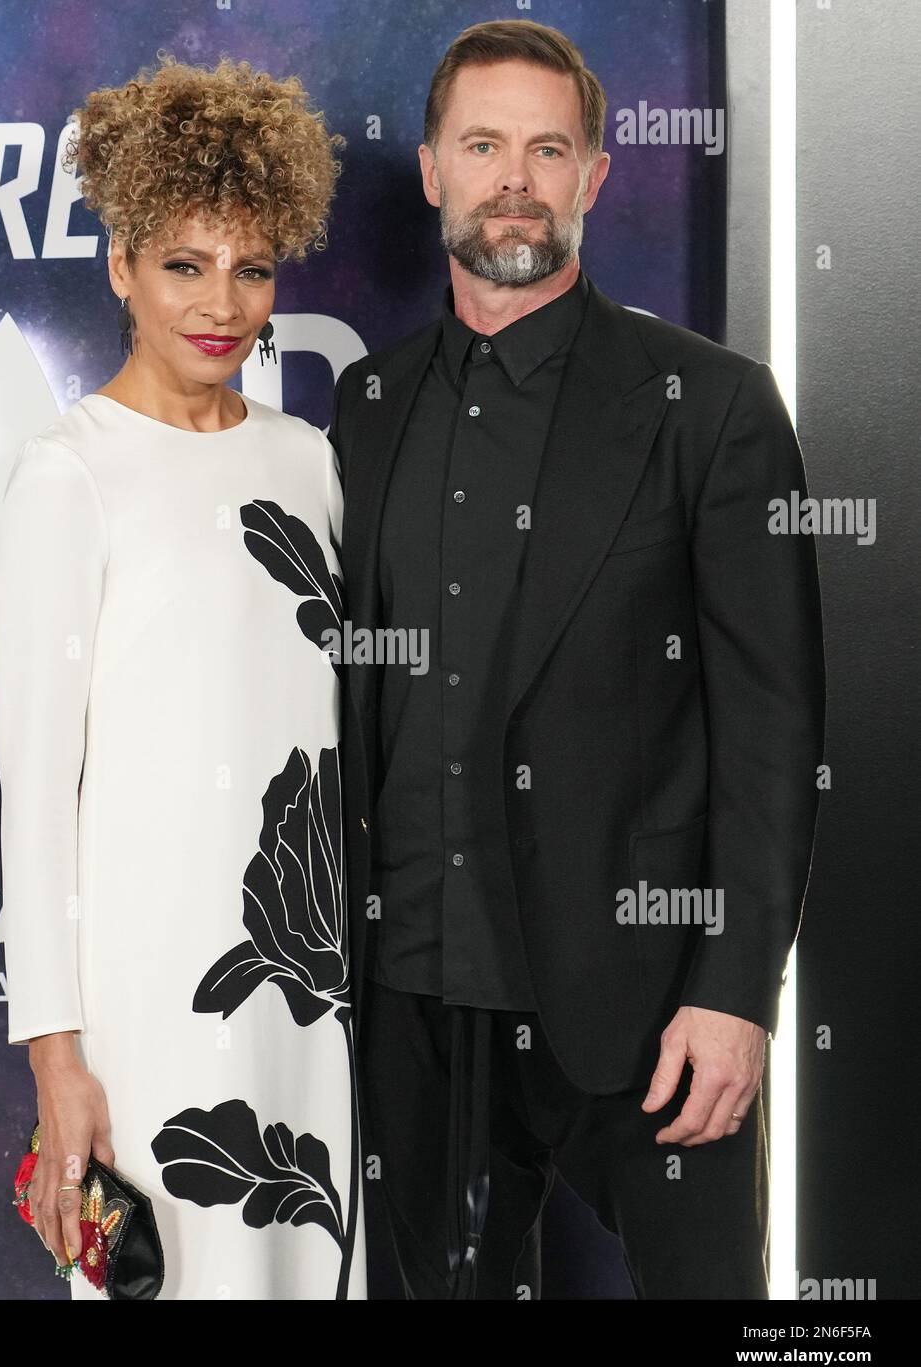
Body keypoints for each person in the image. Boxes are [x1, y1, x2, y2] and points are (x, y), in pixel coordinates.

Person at [329, 19, 826, 1299]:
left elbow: (773, 735)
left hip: (651, 1010)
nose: (514, 177)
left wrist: (734, 996)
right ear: (430, 168)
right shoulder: (365, 410)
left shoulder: (707, 407)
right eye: (481, 144)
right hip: (419, 1009)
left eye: (547, 148)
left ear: (594, 176)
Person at [0, 53, 365, 1299]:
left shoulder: (308, 461)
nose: (221, 304)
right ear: (121, 268)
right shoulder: (68, 472)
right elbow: (35, 795)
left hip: (305, 995)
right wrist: (58, 1060)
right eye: (183, 265)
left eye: (250, 268)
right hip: (148, 1000)